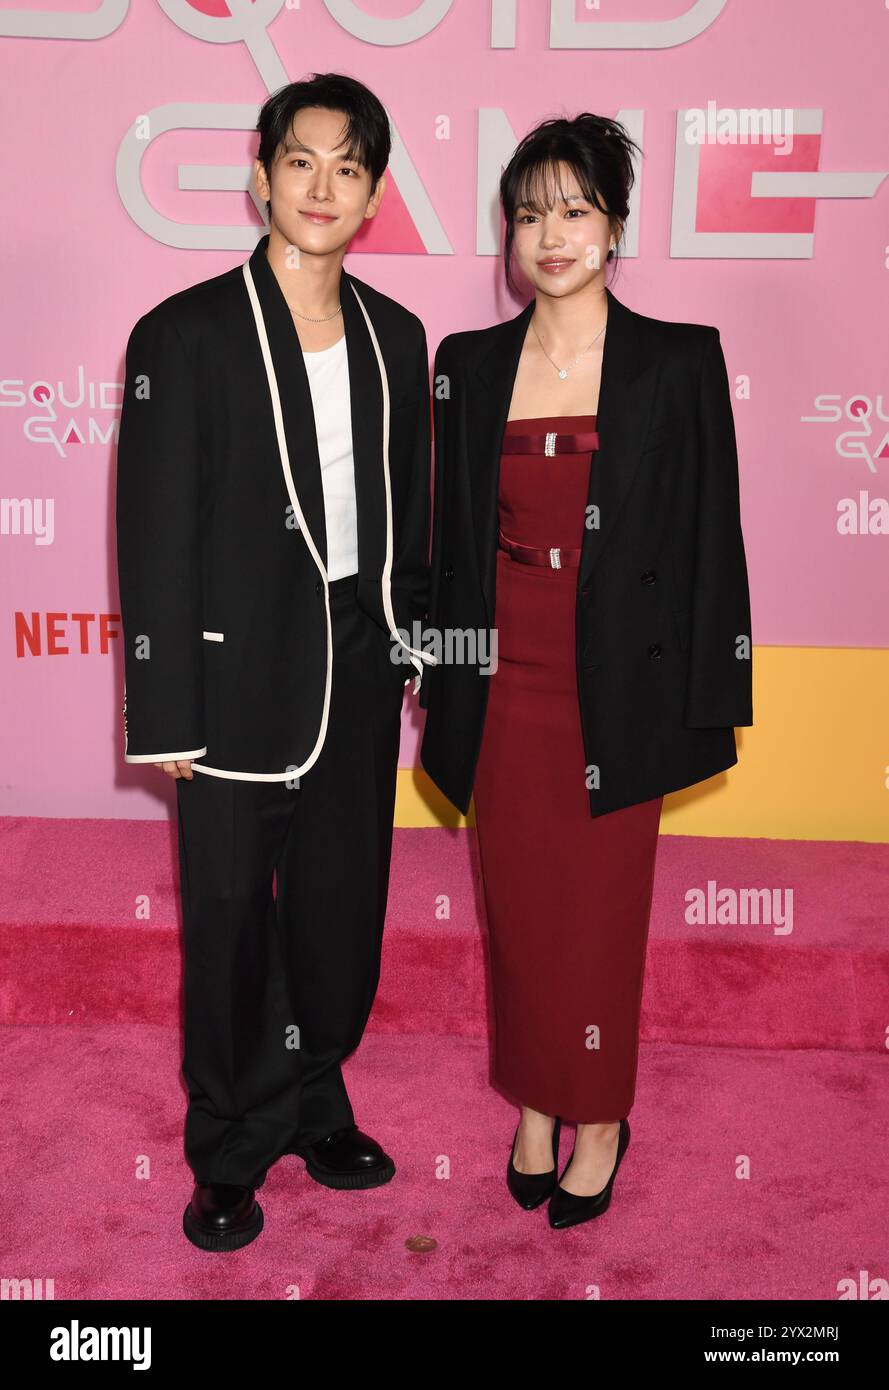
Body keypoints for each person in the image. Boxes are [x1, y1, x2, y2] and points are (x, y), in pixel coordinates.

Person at [116, 73, 434, 1251]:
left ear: (373, 197)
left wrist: (419, 655)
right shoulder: (184, 334)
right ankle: (229, 1143)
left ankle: (313, 1098)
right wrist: (169, 716)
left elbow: (411, 515)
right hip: (233, 676)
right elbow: (151, 536)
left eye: (347, 168)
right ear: (260, 174)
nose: (321, 186)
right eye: (300, 161)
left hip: (357, 663)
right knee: (233, 925)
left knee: (340, 917)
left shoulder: (397, 338)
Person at [419, 114, 753, 1230]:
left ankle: (597, 1112)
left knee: (599, 910)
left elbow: (713, 538)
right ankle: (532, 1099)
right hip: (503, 670)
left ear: (614, 222)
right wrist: (440, 666)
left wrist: (711, 697)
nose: (549, 234)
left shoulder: (676, 359)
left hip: (621, 679)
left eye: (572, 208)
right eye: (528, 213)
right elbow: (448, 546)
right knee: (514, 906)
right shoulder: (466, 365)